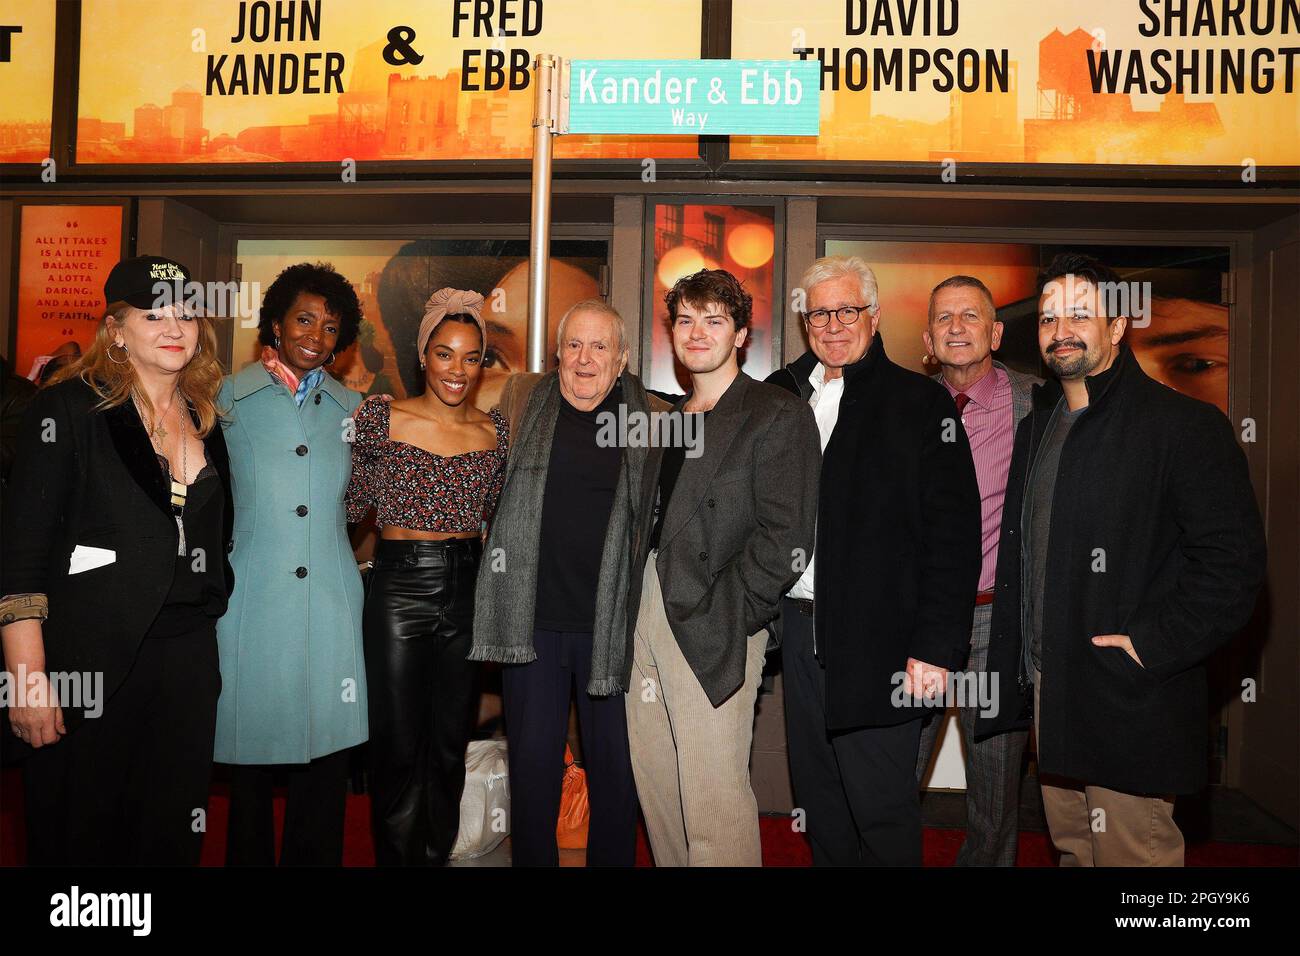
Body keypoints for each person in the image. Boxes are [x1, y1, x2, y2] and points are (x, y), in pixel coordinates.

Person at [978, 252, 1266, 866]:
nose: (1061, 330)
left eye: (1081, 315)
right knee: (1075, 850)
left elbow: (1232, 567)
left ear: (1117, 327)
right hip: (1050, 690)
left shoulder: (1184, 426)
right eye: (1051, 317)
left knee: (1134, 861)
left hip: (1128, 695)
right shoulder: (1041, 425)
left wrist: (1151, 646)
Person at [1, 255, 233, 865]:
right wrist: (27, 682)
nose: (173, 326)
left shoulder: (207, 419)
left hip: (185, 660)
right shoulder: (69, 411)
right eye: (153, 313)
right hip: (91, 660)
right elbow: (21, 558)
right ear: (116, 328)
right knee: (82, 833)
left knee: (170, 832)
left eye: (185, 312)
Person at [767, 255, 982, 867]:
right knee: (820, 801)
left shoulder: (922, 405)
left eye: (847, 311)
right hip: (798, 629)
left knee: (881, 808)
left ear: (875, 315)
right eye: (818, 314)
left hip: (884, 643)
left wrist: (937, 648)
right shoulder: (781, 397)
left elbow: (954, 538)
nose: (832, 325)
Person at [627, 269, 819, 867]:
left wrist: (739, 610)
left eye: (714, 320)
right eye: (685, 319)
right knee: (658, 786)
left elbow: (789, 534)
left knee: (712, 794)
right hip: (644, 614)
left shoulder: (776, 412)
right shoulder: (667, 418)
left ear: (740, 334)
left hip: (716, 614)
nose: (697, 332)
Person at [471, 299, 663, 867]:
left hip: (614, 630)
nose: (584, 359)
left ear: (623, 358)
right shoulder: (522, 402)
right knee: (532, 772)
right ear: (557, 355)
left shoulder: (652, 421)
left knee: (615, 773)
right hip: (532, 624)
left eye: (599, 346)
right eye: (573, 345)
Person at [348, 288, 508, 866]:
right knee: (396, 742)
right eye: (444, 354)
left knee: (448, 742)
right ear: (424, 355)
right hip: (397, 588)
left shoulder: (496, 433)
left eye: (471, 357)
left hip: (467, 590)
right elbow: (351, 505)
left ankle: (437, 855)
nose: (457, 370)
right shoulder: (381, 416)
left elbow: (497, 523)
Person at [215, 262, 368, 866]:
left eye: (331, 327)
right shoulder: (224, 399)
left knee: (326, 760)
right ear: (275, 322)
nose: (316, 335)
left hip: (331, 601)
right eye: (305, 319)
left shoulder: (355, 409)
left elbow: (365, 502)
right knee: (249, 762)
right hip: (250, 600)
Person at [914, 274, 1040, 866]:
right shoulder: (905, 409)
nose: (956, 327)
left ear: (995, 331)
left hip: (999, 622)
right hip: (919, 626)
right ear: (927, 338)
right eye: (943, 318)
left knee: (994, 793)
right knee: (892, 774)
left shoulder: (1039, 406)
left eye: (970, 316)